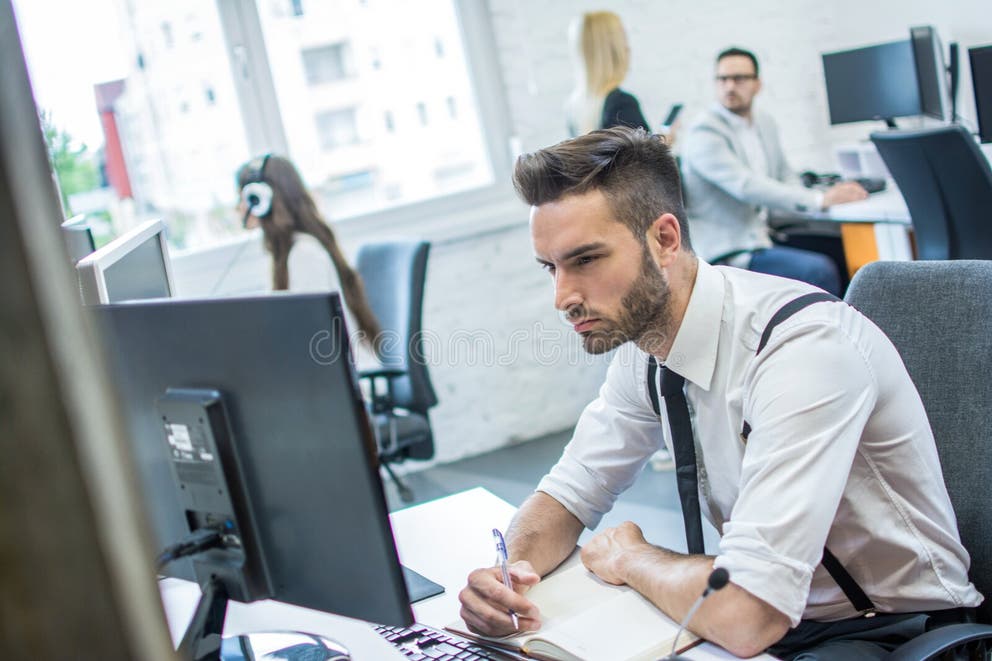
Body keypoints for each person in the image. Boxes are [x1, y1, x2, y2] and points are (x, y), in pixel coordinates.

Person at [457, 127, 981, 660]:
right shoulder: (646, 346)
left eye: (586, 260)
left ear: (664, 239)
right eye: (551, 267)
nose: (562, 296)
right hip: (774, 617)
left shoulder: (801, 351)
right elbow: (570, 491)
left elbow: (748, 612)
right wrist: (509, 575)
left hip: (887, 629)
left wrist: (632, 558)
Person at [681, 47, 868, 296]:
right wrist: (819, 200)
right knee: (819, 270)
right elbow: (746, 186)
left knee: (844, 248)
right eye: (722, 79)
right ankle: (825, 333)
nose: (729, 87)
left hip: (765, 235)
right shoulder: (703, 133)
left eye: (739, 79)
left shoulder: (763, 123)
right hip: (731, 250)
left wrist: (821, 194)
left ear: (757, 84)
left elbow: (784, 176)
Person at [236, 153, 381, 355]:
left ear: (259, 199)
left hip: (347, 380)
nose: (239, 207)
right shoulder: (286, 255)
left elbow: (314, 338)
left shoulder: (304, 255)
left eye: (242, 198)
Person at [565, 11, 657, 136]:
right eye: (624, 38)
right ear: (614, 49)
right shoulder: (622, 104)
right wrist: (664, 144)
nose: (628, 47)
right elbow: (645, 155)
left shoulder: (574, 107)